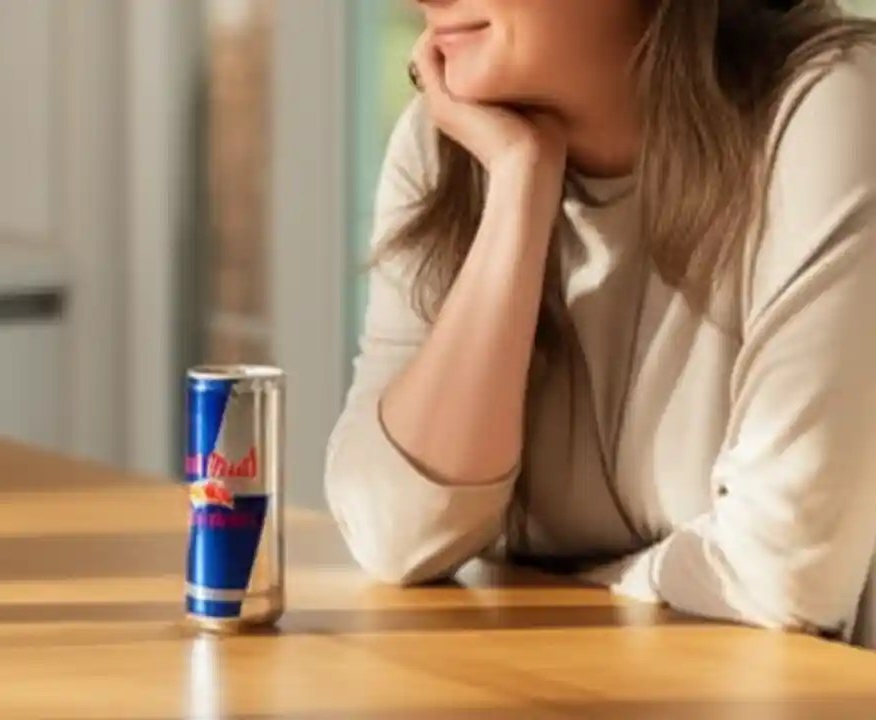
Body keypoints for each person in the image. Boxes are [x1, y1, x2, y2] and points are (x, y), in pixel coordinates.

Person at [326, 0, 876, 642]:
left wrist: (558, 591)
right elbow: (395, 535)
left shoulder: (830, 106)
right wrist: (521, 182)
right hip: (572, 684)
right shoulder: (449, 147)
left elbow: (790, 579)